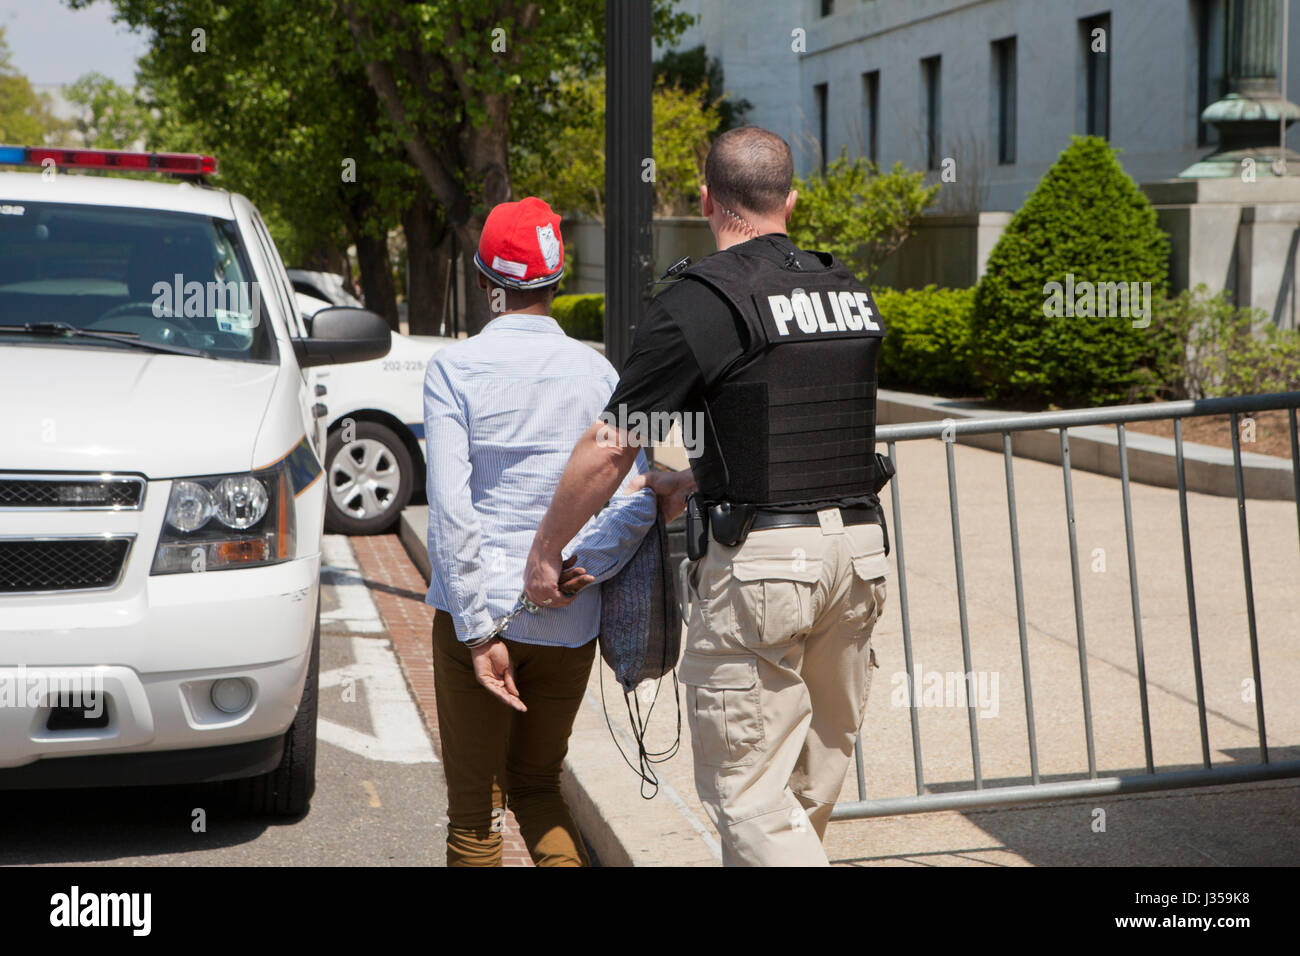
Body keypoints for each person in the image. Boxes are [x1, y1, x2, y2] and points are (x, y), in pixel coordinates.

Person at [523, 127, 891, 866]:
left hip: (763, 572)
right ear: (791, 199)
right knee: (805, 787)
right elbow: (797, 423)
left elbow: (613, 444)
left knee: (749, 796)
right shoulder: (846, 290)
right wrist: (697, 477)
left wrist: (545, 548)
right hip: (859, 558)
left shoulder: (702, 300)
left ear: (705, 199)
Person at [423, 196, 655, 867]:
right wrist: (588, 567)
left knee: (475, 815)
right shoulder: (599, 372)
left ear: (482, 282)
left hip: (481, 612)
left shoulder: (454, 369)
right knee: (538, 788)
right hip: (568, 618)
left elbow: (451, 507)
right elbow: (628, 491)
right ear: (558, 283)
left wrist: (477, 630)